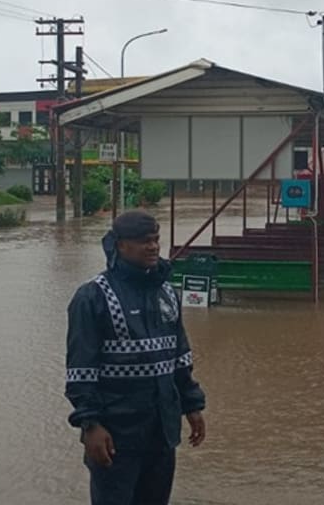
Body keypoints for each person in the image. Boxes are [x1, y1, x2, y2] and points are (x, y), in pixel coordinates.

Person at [65, 211, 206, 505]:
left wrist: (192, 404)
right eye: (143, 241)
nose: (153, 247)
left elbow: (179, 356)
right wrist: (91, 425)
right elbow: (81, 371)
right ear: (120, 245)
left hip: (162, 432)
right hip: (116, 436)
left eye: (156, 239)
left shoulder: (167, 293)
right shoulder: (93, 297)